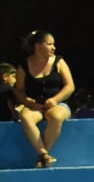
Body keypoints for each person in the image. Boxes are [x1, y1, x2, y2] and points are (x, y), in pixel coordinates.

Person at [14, 30, 75, 168]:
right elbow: (19, 91)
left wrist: (55, 99)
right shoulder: (24, 65)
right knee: (25, 117)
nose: (54, 47)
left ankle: (41, 156)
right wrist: (29, 102)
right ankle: (44, 154)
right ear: (38, 46)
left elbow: (70, 86)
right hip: (36, 106)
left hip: (57, 104)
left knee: (56, 116)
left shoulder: (59, 61)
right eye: (50, 44)